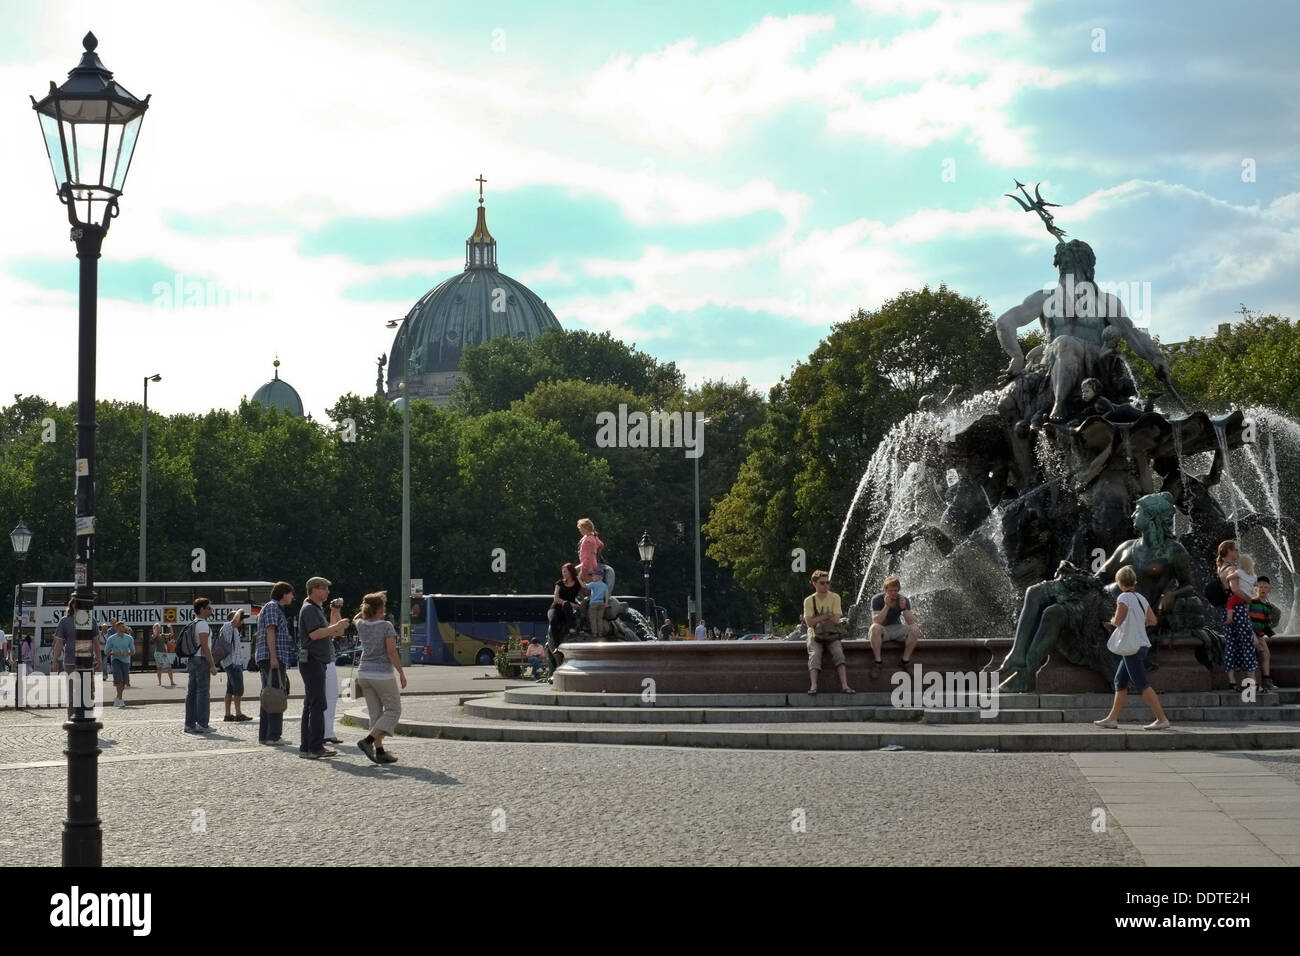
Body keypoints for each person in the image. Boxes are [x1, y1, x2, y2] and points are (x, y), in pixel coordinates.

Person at [1094, 565, 1170, 730]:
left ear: (1120, 583)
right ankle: (1112, 718)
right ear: (1133, 582)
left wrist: (1111, 621)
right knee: (1119, 681)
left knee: (1142, 684)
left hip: (1131, 647)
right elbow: (1152, 621)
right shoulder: (1141, 598)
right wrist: (1136, 622)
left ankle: (1161, 718)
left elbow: (1118, 621)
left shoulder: (1123, 598)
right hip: (1141, 644)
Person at [297, 577, 350, 759]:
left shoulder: (315, 608)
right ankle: (315, 747)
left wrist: (336, 616)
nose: (328, 592)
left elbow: (336, 632)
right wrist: (335, 626)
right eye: (325, 589)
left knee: (310, 705)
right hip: (313, 661)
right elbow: (315, 634)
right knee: (318, 704)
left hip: (315, 661)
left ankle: (307, 747)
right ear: (315, 589)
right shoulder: (310, 609)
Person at [353, 591, 406, 765]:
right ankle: (367, 741)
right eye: (383, 606)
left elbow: (356, 617)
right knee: (393, 710)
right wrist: (401, 672)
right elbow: (391, 652)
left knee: (375, 714)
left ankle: (380, 751)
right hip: (381, 674)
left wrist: (365, 609)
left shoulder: (361, 624)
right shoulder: (386, 626)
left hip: (364, 674)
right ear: (379, 608)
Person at [255, 581, 296, 745]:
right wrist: (273, 657)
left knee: (268, 694)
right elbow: (270, 631)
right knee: (276, 695)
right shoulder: (273, 607)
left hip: (271, 656)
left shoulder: (272, 608)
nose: (293, 597)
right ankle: (274, 735)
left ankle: (265, 735)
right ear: (284, 593)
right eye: (291, 593)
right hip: (274, 657)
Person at [1216, 540, 1260, 692]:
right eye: (1235, 550)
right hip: (1239, 610)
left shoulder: (1220, 567)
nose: (1238, 553)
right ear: (1228, 551)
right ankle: (1252, 683)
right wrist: (1249, 599)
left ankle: (1232, 681)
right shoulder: (1231, 569)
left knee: (1231, 644)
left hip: (1226, 611)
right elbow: (1234, 589)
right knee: (1248, 643)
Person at [802, 570, 853, 695]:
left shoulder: (835, 597)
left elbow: (836, 620)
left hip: (832, 633)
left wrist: (818, 618)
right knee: (815, 654)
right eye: (822, 583)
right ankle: (813, 686)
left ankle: (845, 685)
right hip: (815, 633)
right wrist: (826, 615)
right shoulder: (809, 600)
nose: (826, 585)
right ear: (814, 584)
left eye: (828, 582)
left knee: (838, 653)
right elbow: (809, 623)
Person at [868, 575, 922, 679]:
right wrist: (887, 606)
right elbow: (877, 621)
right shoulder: (877, 599)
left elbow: (911, 622)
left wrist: (904, 608)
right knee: (874, 627)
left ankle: (905, 661)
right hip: (883, 630)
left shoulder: (903, 599)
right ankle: (878, 663)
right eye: (890, 590)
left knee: (915, 629)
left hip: (897, 628)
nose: (893, 593)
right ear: (885, 590)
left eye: (896, 590)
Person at [184, 598, 219, 734]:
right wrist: (212, 665)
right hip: (201, 660)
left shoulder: (193, 623)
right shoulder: (203, 625)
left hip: (192, 659)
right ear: (202, 609)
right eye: (209, 608)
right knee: (203, 692)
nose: (211, 610)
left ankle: (189, 724)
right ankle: (202, 724)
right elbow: (205, 647)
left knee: (191, 692)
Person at [1249, 575, 1282, 693]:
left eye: (1265, 587)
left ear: (1269, 590)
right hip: (1250, 633)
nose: (1263, 589)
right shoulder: (1251, 602)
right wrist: (1251, 632)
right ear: (1255, 589)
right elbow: (1245, 619)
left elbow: (1268, 623)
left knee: (1266, 655)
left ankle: (1267, 681)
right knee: (1259, 654)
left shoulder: (1269, 606)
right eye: (1260, 587)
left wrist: (1269, 631)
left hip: (1259, 635)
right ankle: (1256, 682)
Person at [219, 610, 251, 722]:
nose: (241, 621)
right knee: (238, 689)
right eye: (240, 618)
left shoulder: (234, 630)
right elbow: (235, 619)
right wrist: (239, 611)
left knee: (230, 690)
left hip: (231, 663)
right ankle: (238, 714)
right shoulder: (228, 626)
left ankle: (228, 714)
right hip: (233, 663)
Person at [323, 599, 344, 745]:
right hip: (324, 661)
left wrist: (335, 611)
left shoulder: (318, 614)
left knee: (331, 696)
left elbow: (338, 629)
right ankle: (325, 732)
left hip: (327, 660)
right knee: (329, 697)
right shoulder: (314, 613)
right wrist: (335, 612)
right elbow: (337, 629)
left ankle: (328, 732)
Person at [105, 622, 135, 709]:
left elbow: (133, 651)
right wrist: (114, 653)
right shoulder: (111, 638)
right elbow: (106, 652)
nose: (124, 628)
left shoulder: (129, 638)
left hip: (126, 661)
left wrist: (127, 653)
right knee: (119, 680)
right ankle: (121, 700)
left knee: (124, 682)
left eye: (124, 626)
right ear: (117, 628)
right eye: (122, 627)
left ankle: (117, 697)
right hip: (115, 660)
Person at [1224, 552, 1256, 630]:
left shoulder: (1239, 572)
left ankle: (1229, 618)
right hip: (1248, 596)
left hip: (1240, 595)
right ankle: (1249, 619)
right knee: (1247, 608)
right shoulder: (1254, 576)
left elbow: (1230, 577)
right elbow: (1255, 585)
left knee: (1230, 603)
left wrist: (1227, 577)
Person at [586, 569, 609, 639]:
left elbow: (585, 586)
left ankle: (594, 634)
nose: (592, 577)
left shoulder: (593, 584)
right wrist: (606, 603)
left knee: (593, 619)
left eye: (593, 576)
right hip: (601, 603)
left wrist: (579, 580)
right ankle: (600, 633)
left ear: (599, 577)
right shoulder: (604, 585)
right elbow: (606, 594)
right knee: (599, 619)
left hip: (593, 604)